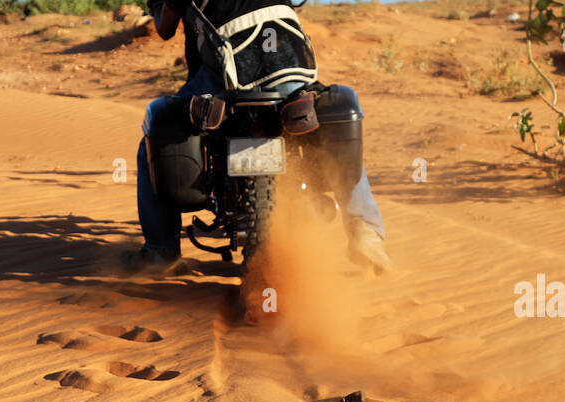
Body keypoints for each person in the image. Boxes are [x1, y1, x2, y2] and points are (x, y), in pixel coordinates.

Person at [125, 0, 391, 275]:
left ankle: (161, 251)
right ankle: (364, 231)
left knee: (154, 138)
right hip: (289, 64)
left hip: (229, 69)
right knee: (334, 132)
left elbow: (165, 28)